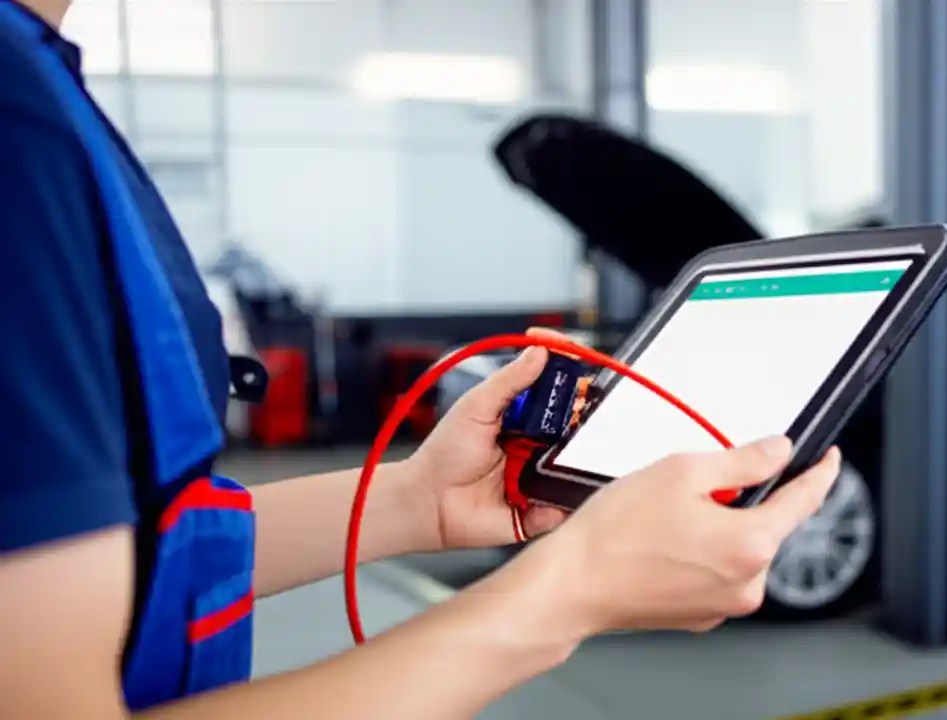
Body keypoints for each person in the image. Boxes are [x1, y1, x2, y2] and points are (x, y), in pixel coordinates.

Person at [0, 1, 841, 718]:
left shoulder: (44, 89)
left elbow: (145, 547)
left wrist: (416, 502)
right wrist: (569, 589)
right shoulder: (16, 111)